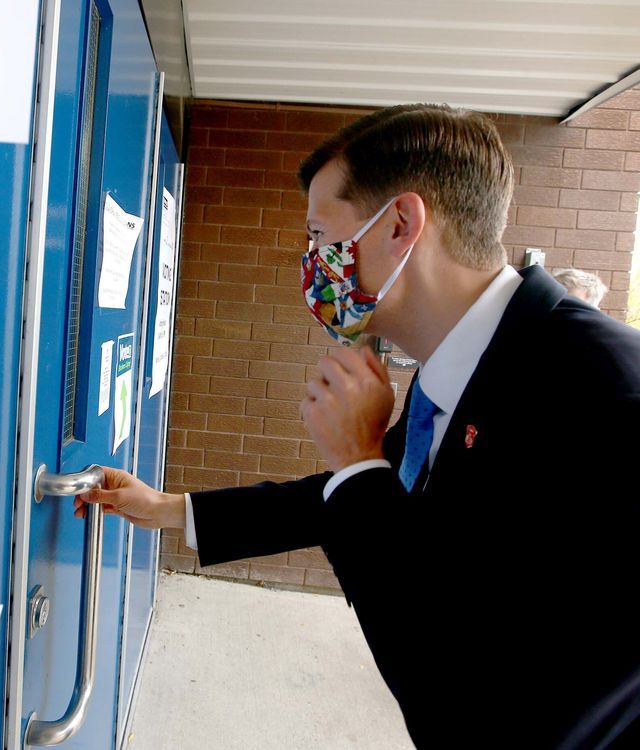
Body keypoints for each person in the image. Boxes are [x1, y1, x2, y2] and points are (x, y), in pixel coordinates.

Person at [75, 104, 640, 749]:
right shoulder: (456, 369)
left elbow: (481, 709)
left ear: (400, 223)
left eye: (320, 235)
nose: (313, 262)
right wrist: (172, 511)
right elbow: (348, 498)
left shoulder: (609, 397)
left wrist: (360, 463)